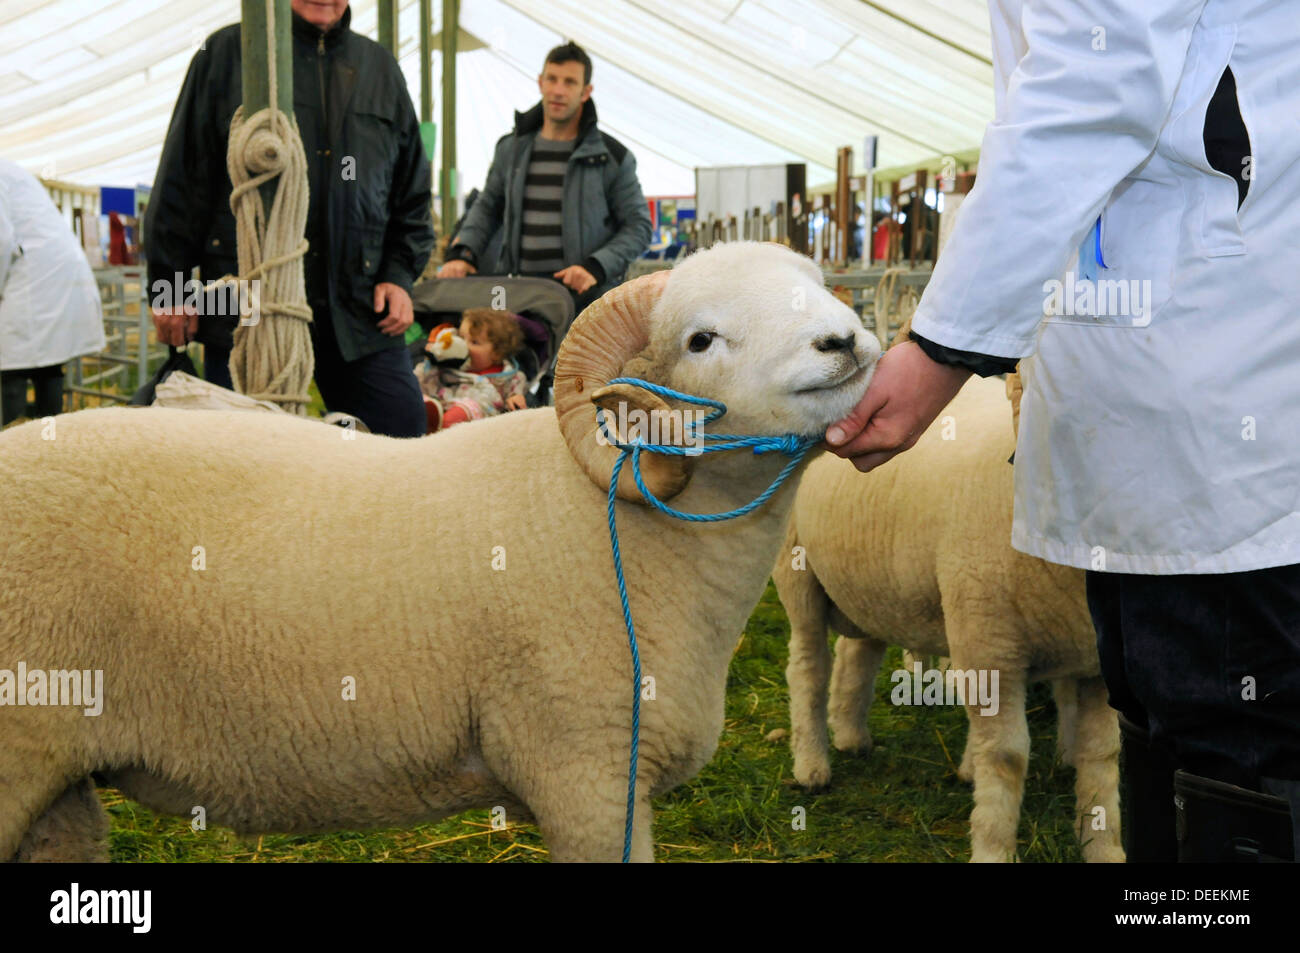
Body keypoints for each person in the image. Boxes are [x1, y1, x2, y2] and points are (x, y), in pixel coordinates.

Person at [825, 1, 1299, 863]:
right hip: (1146, 377)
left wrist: (942, 344)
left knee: (1232, 732)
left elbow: (1098, 71)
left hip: (1219, 386)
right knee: (1159, 708)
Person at [144, 0, 434, 438]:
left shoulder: (379, 67)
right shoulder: (225, 53)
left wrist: (398, 273)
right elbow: (183, 179)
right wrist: (171, 287)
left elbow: (410, 190)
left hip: (359, 308)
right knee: (242, 460)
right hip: (247, 306)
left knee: (402, 438)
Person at [436, 42, 651, 314]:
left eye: (570, 82)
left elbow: (639, 226)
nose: (558, 90)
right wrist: (463, 254)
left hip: (584, 302)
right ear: (540, 82)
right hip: (516, 298)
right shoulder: (511, 150)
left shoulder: (612, 158)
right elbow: (487, 207)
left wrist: (595, 266)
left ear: (586, 92)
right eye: (552, 79)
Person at [0, 159, 106, 425]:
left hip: (33, 279)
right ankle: (48, 445)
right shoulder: (11, 170)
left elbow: (1, 240)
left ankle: (13, 450)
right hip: (47, 274)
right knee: (46, 363)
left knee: (12, 365)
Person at [415, 309, 528, 433]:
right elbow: (422, 379)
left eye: (474, 342)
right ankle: (425, 419)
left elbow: (516, 393)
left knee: (470, 406)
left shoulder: (509, 376)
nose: (464, 345)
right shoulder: (449, 365)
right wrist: (433, 358)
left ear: (497, 353)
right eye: (462, 338)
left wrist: (515, 397)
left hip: (476, 420)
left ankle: (441, 426)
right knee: (415, 393)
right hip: (439, 405)